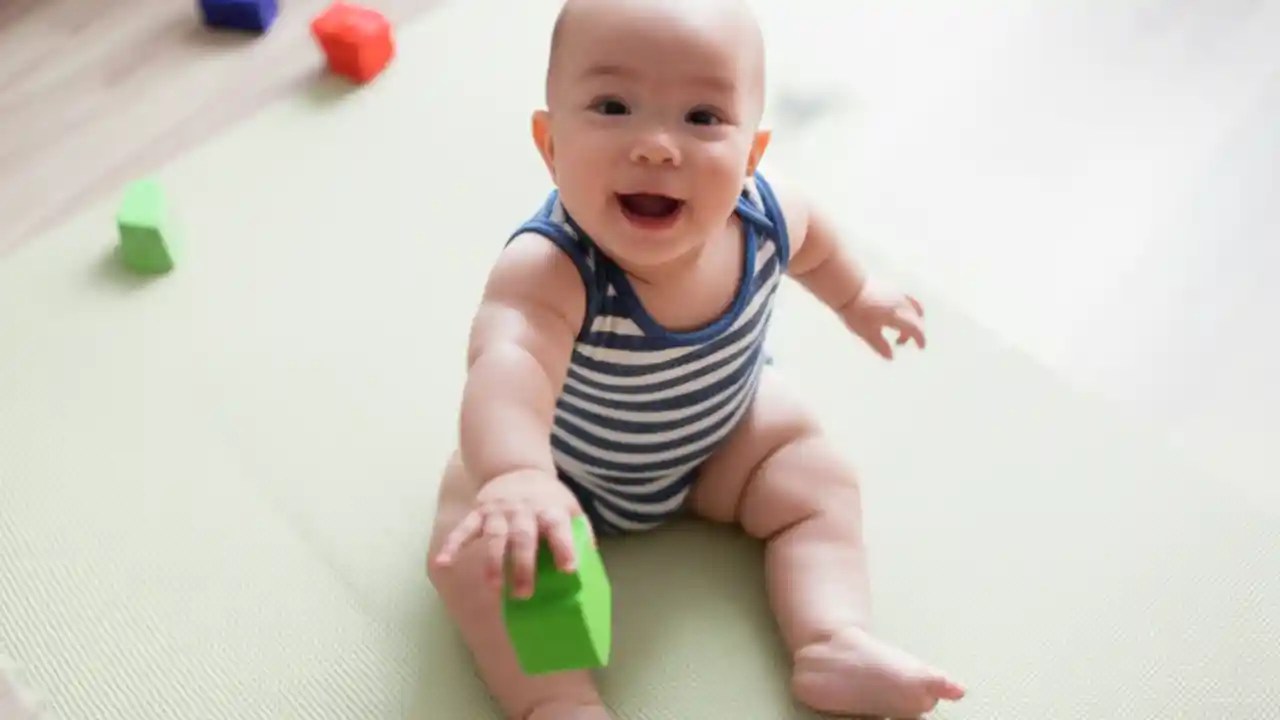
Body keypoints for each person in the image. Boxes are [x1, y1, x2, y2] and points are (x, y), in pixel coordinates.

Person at [427, 0, 966, 717]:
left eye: (702, 118)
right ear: (550, 144)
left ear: (752, 155)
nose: (655, 145)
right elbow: (509, 364)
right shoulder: (550, 269)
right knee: (480, 557)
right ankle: (556, 701)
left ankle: (833, 635)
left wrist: (860, 295)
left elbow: (820, 249)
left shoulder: (770, 214)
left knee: (818, 477)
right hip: (565, 477)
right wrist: (517, 474)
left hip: (721, 444)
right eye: (613, 105)